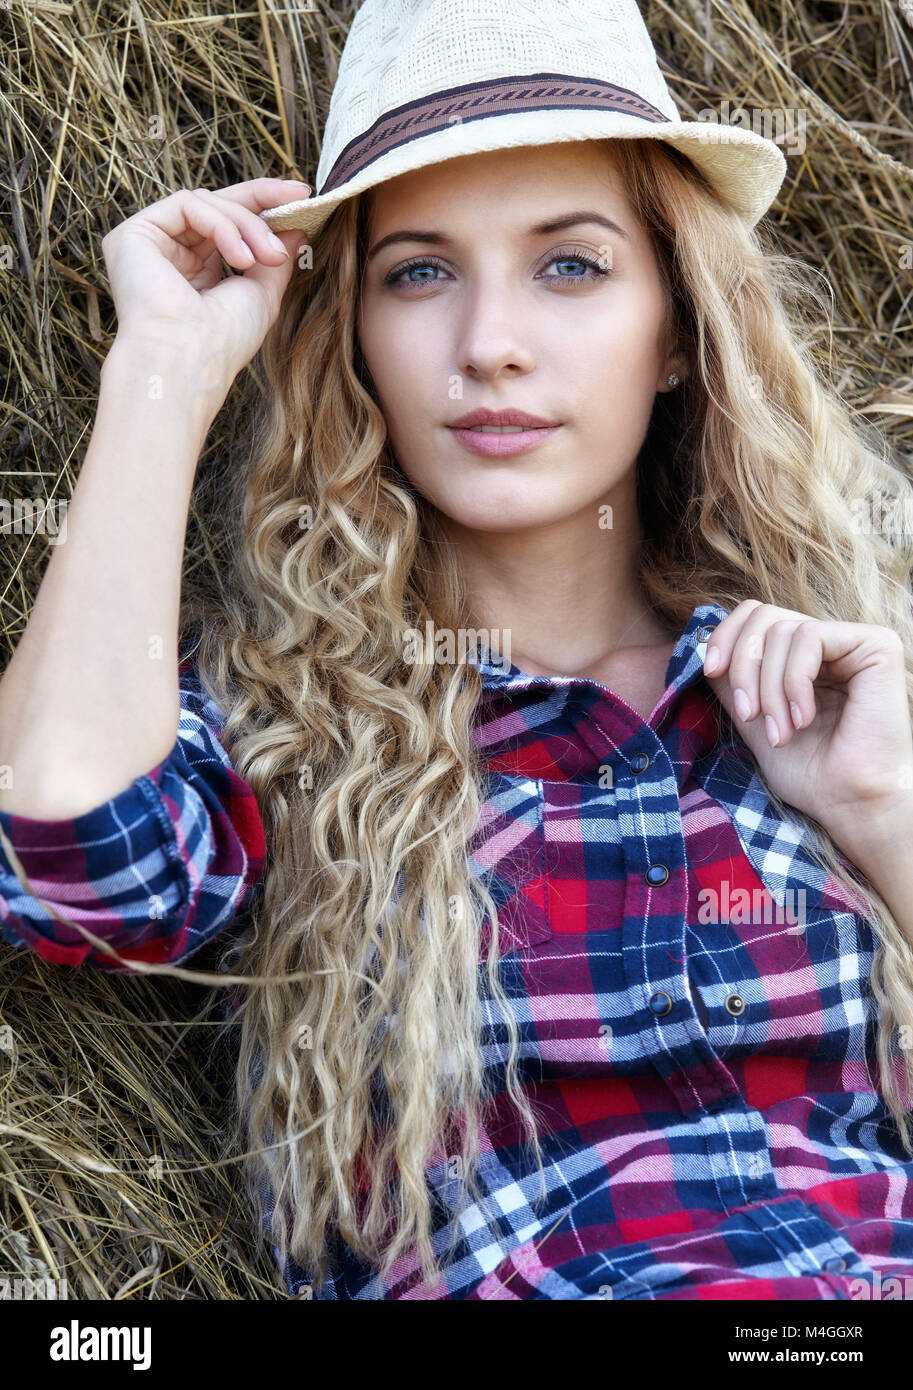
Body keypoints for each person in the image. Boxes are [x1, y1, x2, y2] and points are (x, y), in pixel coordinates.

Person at [2, 0, 913, 1302]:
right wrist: (163, 371)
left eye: (570, 265)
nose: (488, 339)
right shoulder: (293, 719)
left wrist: (883, 813)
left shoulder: (833, 687)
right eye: (418, 271)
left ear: (674, 330)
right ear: (355, 338)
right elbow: (68, 872)